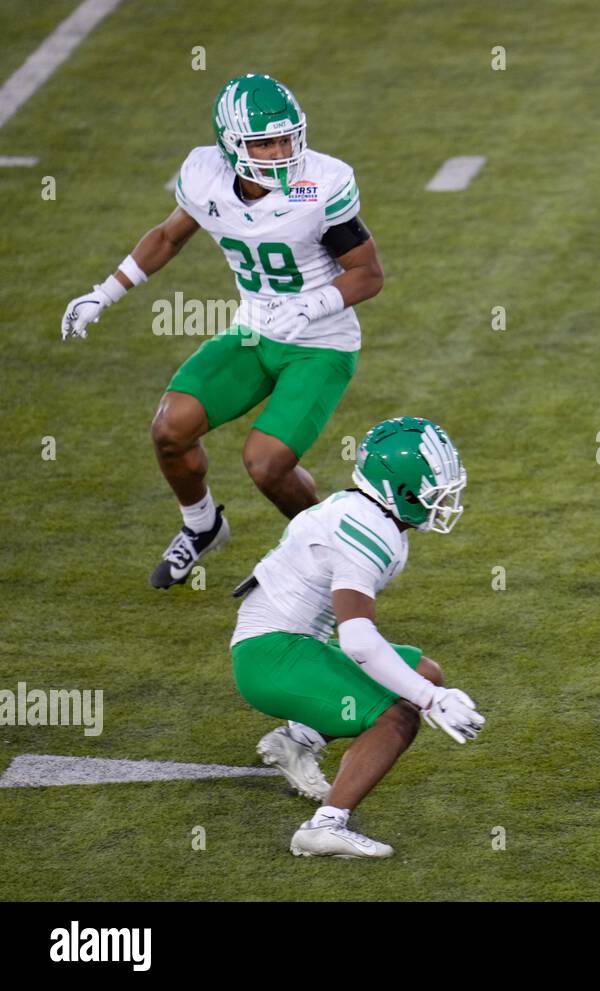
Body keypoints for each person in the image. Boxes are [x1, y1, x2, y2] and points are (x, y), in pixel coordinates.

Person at [60, 73, 384, 589]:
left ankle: (334, 559)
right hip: (254, 331)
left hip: (321, 344)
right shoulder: (206, 177)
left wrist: (312, 306)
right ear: (231, 146)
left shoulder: (320, 184)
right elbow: (168, 237)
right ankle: (202, 525)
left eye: (287, 137)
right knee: (170, 428)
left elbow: (368, 274)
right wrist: (106, 292)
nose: (281, 152)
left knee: (266, 463)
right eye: (265, 141)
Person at [229, 417, 484, 857]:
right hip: (270, 656)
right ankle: (324, 827)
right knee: (397, 717)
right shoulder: (368, 531)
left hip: (284, 641)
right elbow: (360, 642)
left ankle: (295, 741)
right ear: (400, 490)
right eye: (433, 489)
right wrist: (429, 700)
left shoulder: (362, 509)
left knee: (425, 671)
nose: (443, 499)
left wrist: (425, 685)